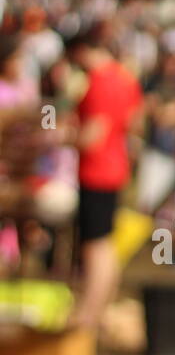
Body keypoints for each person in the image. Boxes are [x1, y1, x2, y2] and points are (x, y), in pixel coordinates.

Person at [65, 24, 141, 331]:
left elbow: (92, 136)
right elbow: (134, 122)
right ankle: (99, 308)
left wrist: (61, 137)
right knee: (105, 243)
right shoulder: (125, 78)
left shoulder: (99, 82)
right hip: (116, 168)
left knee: (94, 244)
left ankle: (89, 313)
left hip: (96, 171)